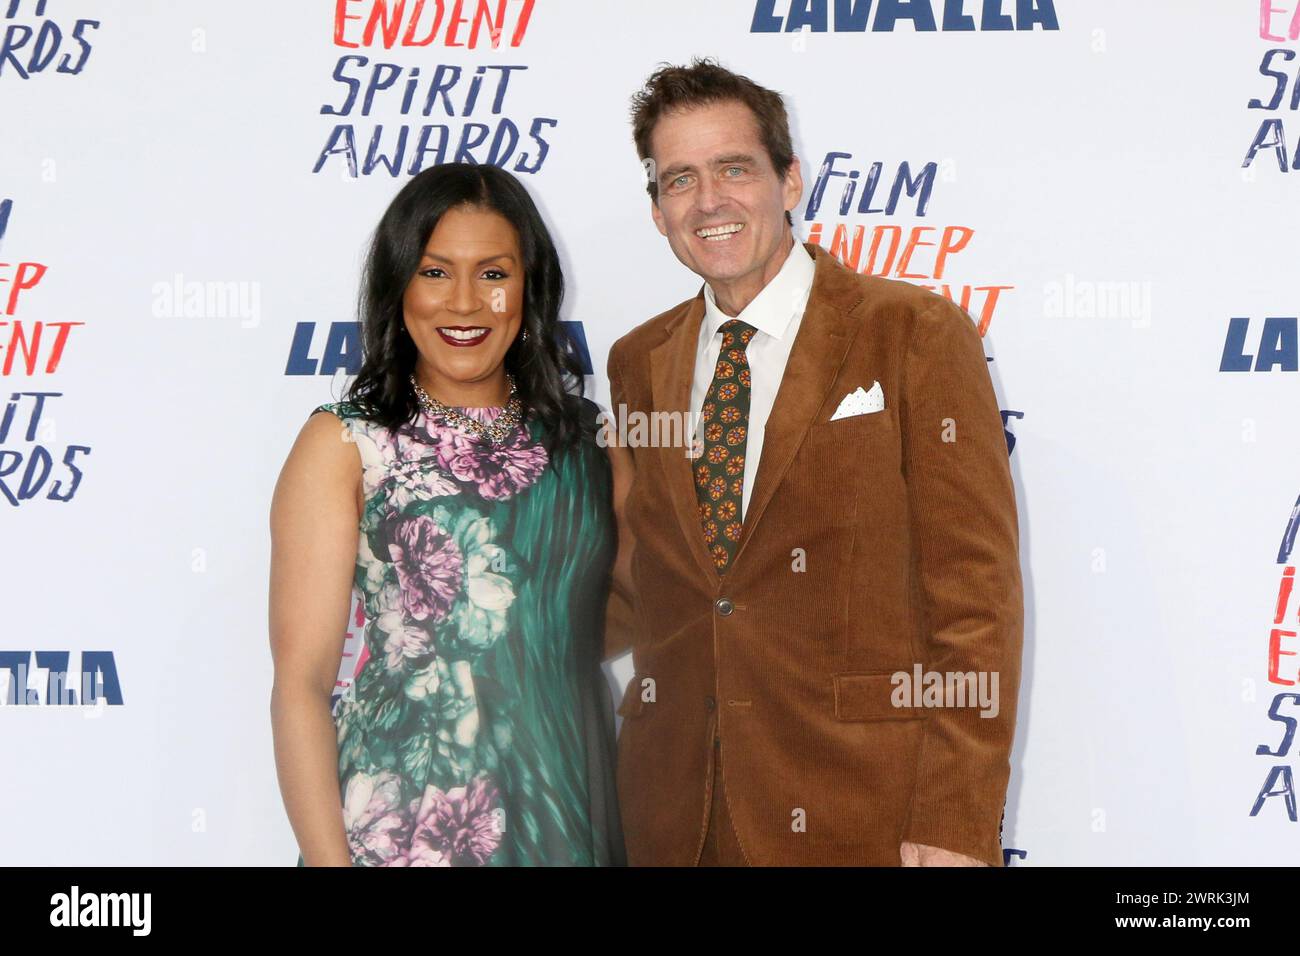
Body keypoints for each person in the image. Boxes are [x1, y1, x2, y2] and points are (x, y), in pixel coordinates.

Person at [604, 58, 1024, 867]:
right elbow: (643, 580)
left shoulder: (913, 332)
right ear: (658, 211)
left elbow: (976, 600)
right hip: (674, 816)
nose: (710, 201)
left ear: (789, 180)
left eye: (734, 168)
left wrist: (956, 819)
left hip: (863, 810)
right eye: (680, 179)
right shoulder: (637, 362)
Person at [270, 162, 625, 867]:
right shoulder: (346, 443)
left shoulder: (591, 440)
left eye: (493, 274)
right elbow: (302, 686)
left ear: (529, 287)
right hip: (404, 824)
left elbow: (649, 605)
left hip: (562, 803)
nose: (463, 302)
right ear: (399, 285)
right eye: (434, 272)